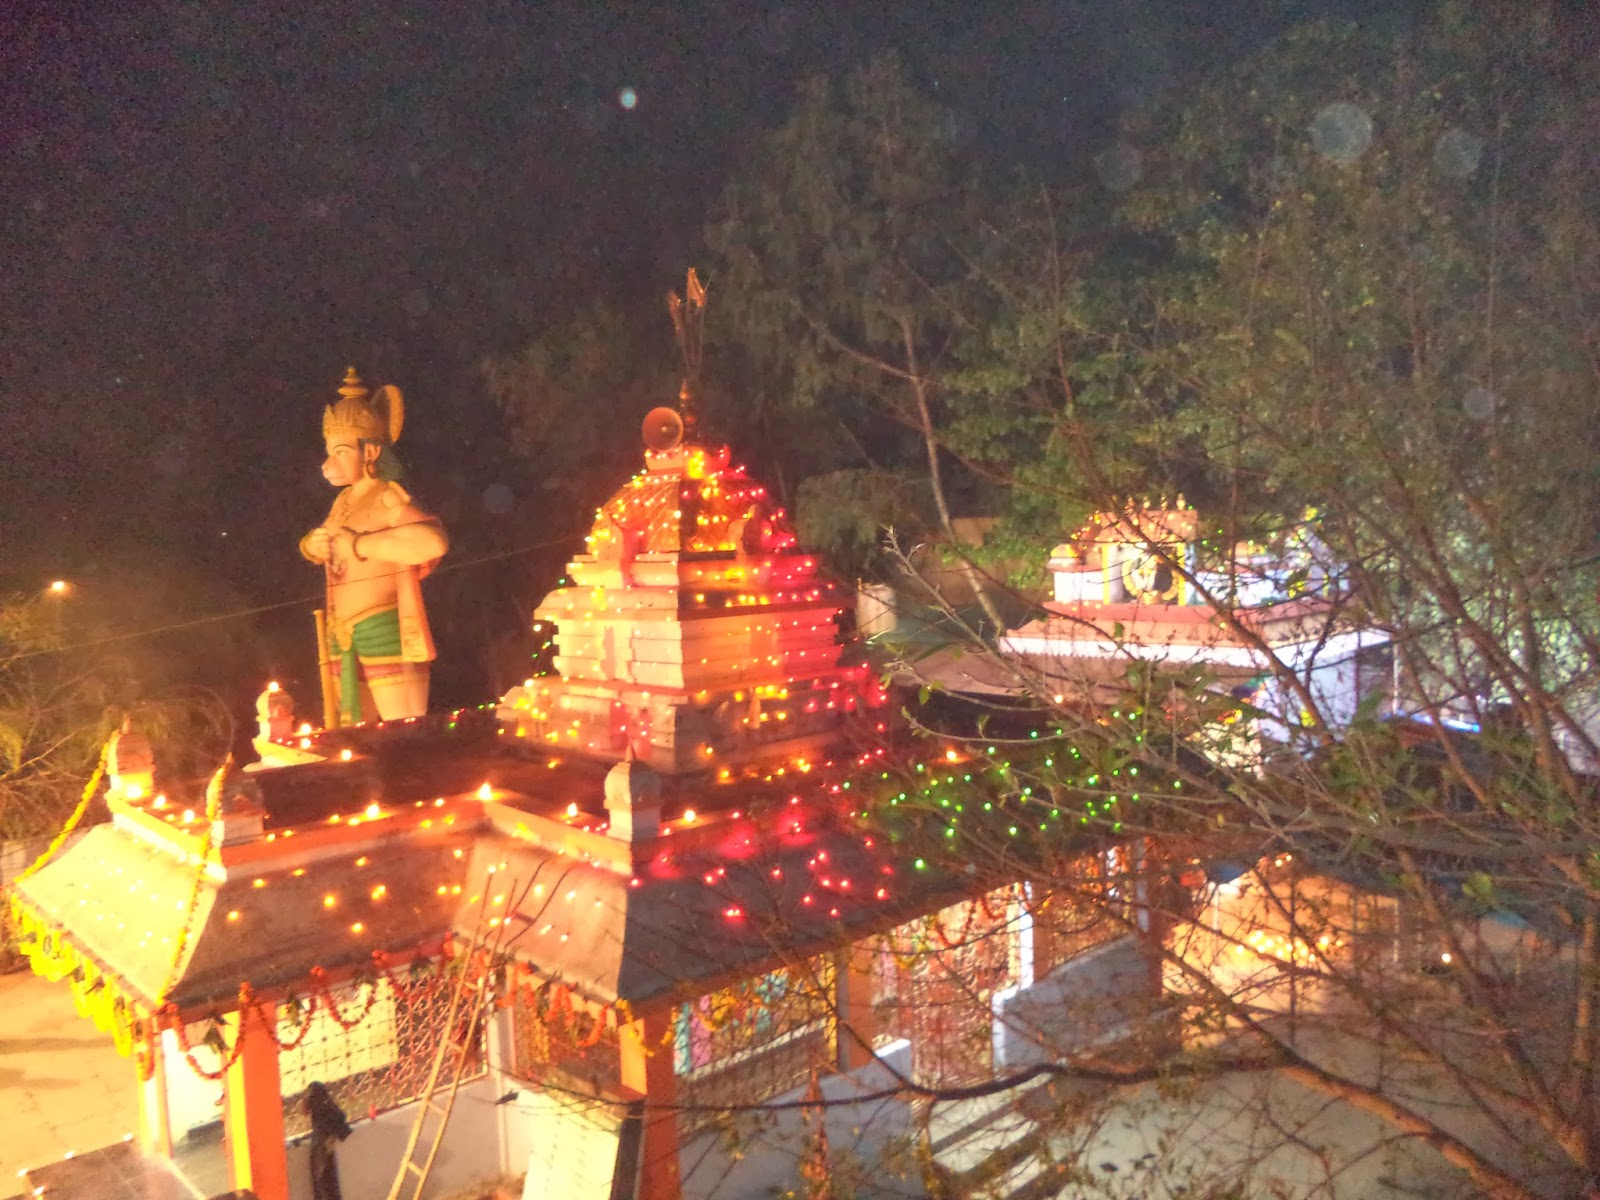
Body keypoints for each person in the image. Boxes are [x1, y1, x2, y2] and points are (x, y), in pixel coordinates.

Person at [299, 368, 448, 723]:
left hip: (384, 629)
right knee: (355, 740)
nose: (327, 465)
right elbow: (320, 543)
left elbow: (432, 542)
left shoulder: (387, 497)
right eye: (329, 453)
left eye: (340, 452)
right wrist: (312, 546)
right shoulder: (342, 503)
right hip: (341, 635)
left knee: (402, 732)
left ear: (370, 453)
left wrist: (362, 545)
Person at [304, 1081, 352, 1200]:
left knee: (322, 1187)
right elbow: (341, 1118)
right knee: (331, 1186)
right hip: (325, 1149)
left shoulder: (319, 1108)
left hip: (319, 1149)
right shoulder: (327, 1106)